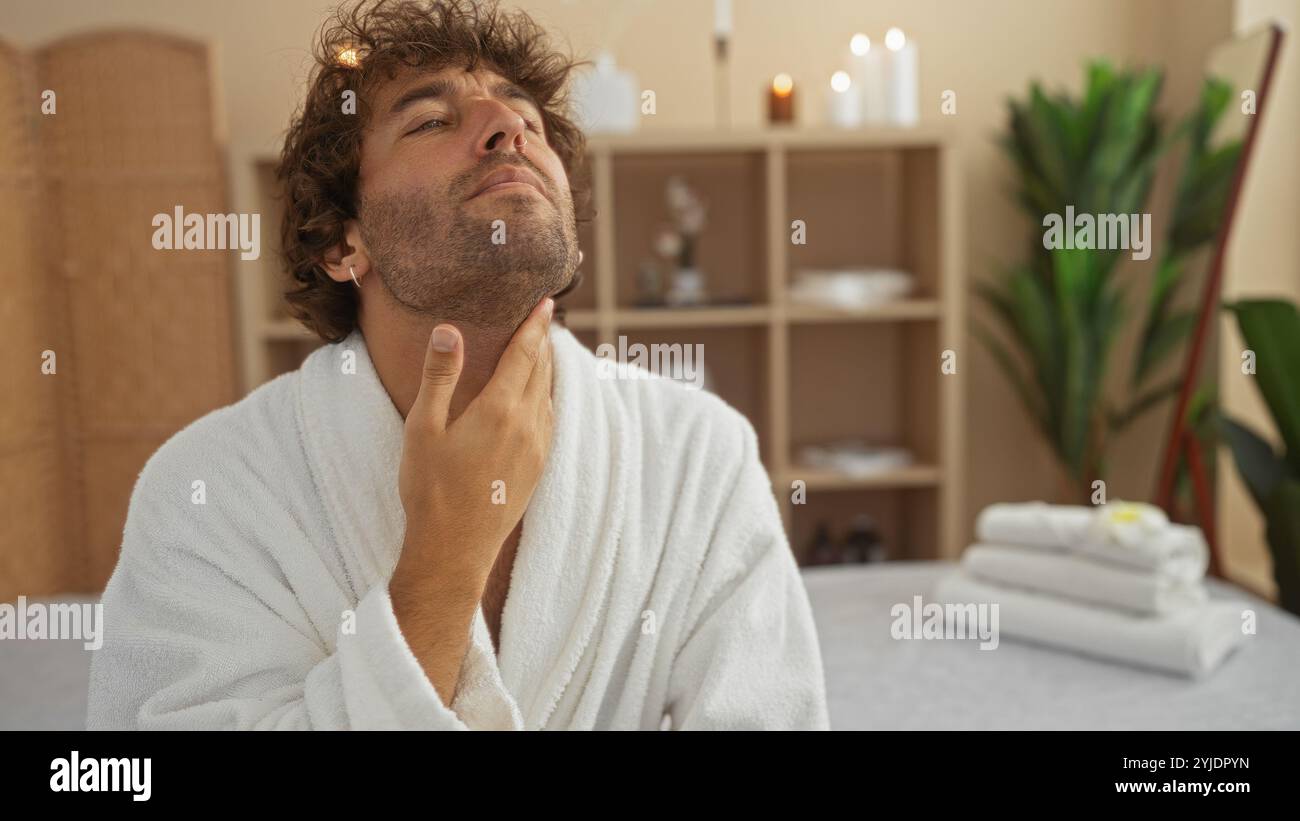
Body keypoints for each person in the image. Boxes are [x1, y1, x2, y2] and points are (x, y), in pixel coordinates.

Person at [86, 0, 828, 730]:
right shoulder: (209, 487)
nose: (509, 129)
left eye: (526, 118)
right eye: (430, 120)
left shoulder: (700, 453)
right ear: (343, 245)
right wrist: (443, 562)